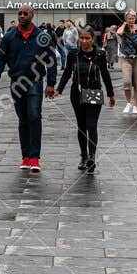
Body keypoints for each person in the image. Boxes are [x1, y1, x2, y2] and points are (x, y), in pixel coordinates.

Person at [0, 5, 61, 175]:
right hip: (16, 83)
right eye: (19, 13)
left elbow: (51, 60)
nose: (22, 16)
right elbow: (0, 58)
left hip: (35, 81)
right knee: (23, 119)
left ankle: (35, 157)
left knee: (34, 116)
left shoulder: (42, 37)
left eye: (25, 13)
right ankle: (26, 156)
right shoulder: (9, 36)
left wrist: (51, 84)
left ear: (32, 16)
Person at [57, 27, 114, 173]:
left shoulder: (100, 54)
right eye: (81, 38)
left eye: (87, 38)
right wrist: (59, 89)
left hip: (94, 93)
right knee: (81, 126)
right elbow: (67, 73)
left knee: (91, 125)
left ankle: (92, 157)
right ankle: (83, 156)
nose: (83, 41)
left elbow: (105, 74)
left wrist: (111, 94)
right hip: (77, 93)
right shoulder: (73, 54)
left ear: (92, 39)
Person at [117, 11, 137, 116]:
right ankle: (128, 103)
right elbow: (119, 33)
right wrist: (125, 24)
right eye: (129, 18)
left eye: (133, 18)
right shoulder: (123, 27)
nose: (131, 20)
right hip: (126, 58)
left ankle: (135, 105)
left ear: (135, 18)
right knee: (127, 82)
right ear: (126, 18)